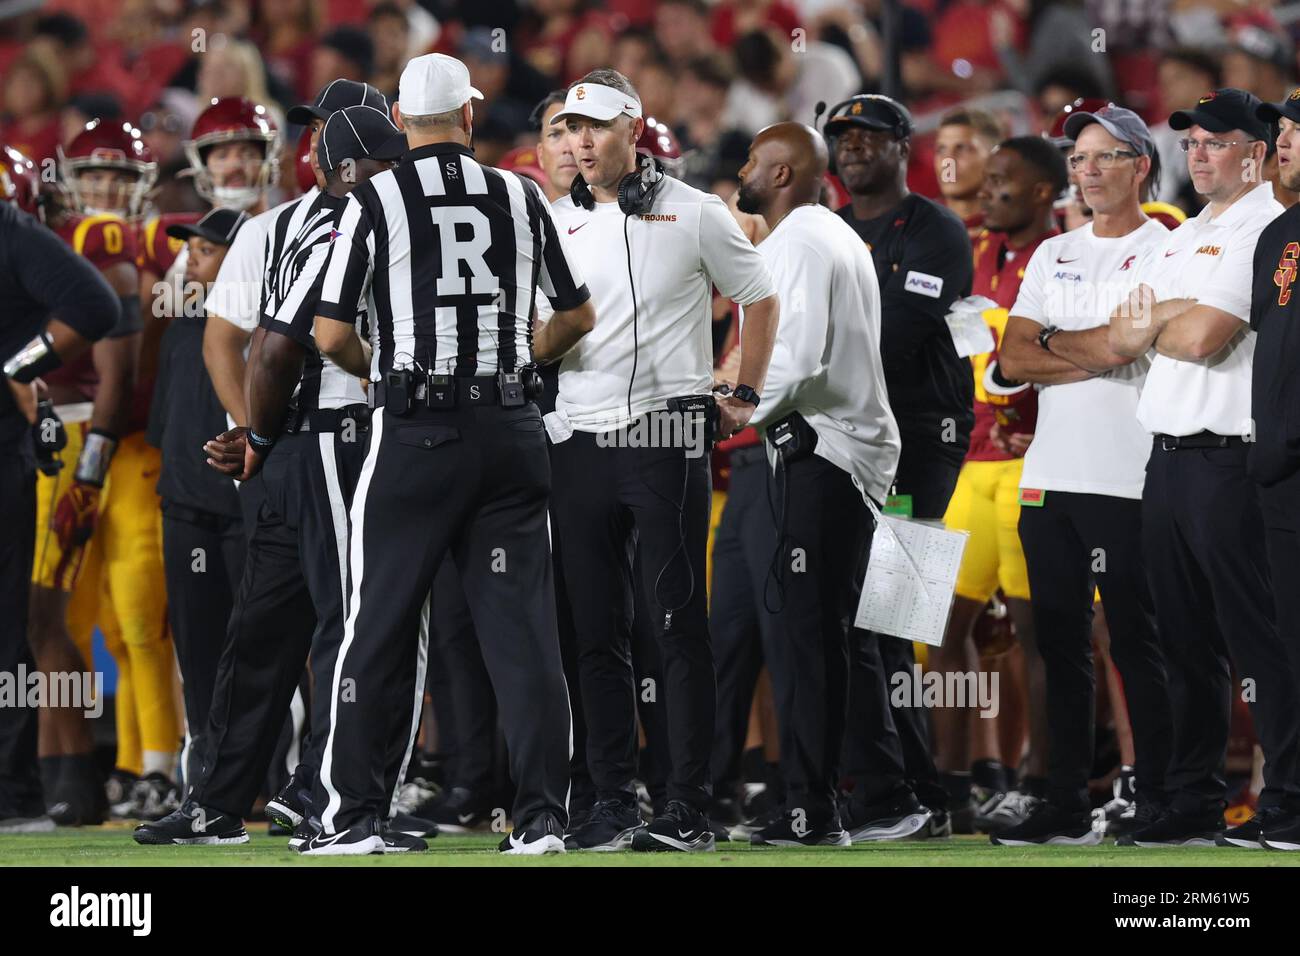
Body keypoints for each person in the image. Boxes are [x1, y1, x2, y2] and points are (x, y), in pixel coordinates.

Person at [306, 53, 597, 856]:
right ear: (470, 118)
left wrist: (392, 373)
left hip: (416, 433)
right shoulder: (520, 193)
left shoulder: (375, 196)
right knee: (525, 636)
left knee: (378, 627)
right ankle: (541, 819)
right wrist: (516, 365)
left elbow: (331, 334)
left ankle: (355, 816)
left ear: (400, 123)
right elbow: (576, 317)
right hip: (509, 434)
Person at [136, 104, 426, 851]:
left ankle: (282, 796)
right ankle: (282, 798)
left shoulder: (299, 222)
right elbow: (243, 343)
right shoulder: (352, 221)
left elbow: (249, 342)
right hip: (324, 436)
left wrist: (256, 435)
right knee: (315, 623)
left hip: (299, 441)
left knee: (296, 625)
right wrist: (253, 432)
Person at [545, 68, 779, 853]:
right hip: (577, 435)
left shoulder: (695, 210)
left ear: (634, 130)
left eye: (597, 126)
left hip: (667, 427)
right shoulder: (555, 220)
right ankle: (610, 800)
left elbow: (761, 294)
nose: (580, 141)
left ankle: (689, 805)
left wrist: (742, 389)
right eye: (571, 127)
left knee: (677, 621)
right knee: (592, 628)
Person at [1109, 88, 1300, 847]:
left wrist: (1155, 321)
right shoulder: (1179, 233)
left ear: (1256, 154)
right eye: (1190, 141)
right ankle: (1191, 799)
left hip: (1231, 457)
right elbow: (1125, 333)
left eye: (1215, 142)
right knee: (1180, 641)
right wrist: (1158, 321)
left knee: (1260, 641)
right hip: (1167, 458)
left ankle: (1284, 794)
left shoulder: (1268, 227)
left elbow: (1199, 339)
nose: (1196, 153)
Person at [989, 105, 1175, 846]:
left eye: (1104, 157)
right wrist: (1092, 345)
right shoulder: (1052, 252)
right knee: (1055, 642)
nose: (1087, 171)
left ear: (1141, 166)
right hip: (1049, 476)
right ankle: (1061, 799)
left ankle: (1158, 797)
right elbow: (1013, 359)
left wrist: (1060, 345)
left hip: (1127, 475)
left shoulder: (1168, 247)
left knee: (1136, 643)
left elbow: (1118, 354)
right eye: (1078, 159)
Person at [733, 122, 900, 846]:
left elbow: (793, 357)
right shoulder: (828, 233)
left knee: (811, 640)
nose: (741, 170)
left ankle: (813, 808)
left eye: (750, 160)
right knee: (826, 638)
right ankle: (823, 798)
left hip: (823, 459)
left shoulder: (798, 239)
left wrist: (728, 414)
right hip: (843, 459)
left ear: (781, 174)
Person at [826, 93, 974, 838]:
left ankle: (925, 789)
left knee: (896, 618)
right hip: (858, 435)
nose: (854, 146)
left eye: (869, 136)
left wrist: (815, 370)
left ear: (901, 147)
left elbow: (904, 331)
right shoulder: (834, 230)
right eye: (842, 136)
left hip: (922, 440)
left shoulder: (935, 230)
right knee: (865, 620)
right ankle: (897, 785)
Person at [934, 135, 1066, 835]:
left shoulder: (1066, 255)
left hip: (1030, 466)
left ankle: (1039, 782)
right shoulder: (969, 250)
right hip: (959, 462)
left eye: (1003, 182)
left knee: (1037, 632)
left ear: (1045, 192)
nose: (986, 192)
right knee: (924, 626)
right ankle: (946, 787)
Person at [27, 123, 147, 827]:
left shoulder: (95, 252)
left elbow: (116, 375)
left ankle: (75, 789)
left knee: (53, 619)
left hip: (72, 440)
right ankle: (57, 785)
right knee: (42, 620)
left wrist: (90, 471)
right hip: (42, 436)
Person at [0, 169, 120, 832]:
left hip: (30, 445)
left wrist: (18, 367)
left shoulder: (16, 233)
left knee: (21, 621)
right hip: (35, 440)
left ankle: (21, 788)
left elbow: (98, 311)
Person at [1238, 89, 1300, 851]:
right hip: (1278, 471)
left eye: (1296, 132)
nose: (1283, 142)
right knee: (1285, 644)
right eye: (1280, 132)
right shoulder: (1277, 235)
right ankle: (1286, 796)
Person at [933, 108, 1005, 238]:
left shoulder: (1017, 231)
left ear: (994, 158)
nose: (948, 161)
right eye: (941, 150)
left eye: (962, 148)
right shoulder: (915, 226)